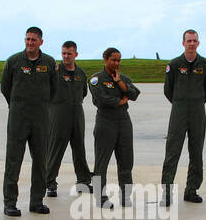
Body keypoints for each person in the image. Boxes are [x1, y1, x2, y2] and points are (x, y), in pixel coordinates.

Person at [0, 26, 56, 216]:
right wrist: (17, 104)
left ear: (41, 41)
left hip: (41, 119)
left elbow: (53, 89)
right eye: (27, 39)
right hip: (18, 117)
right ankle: (10, 203)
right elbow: (5, 87)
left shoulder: (48, 62)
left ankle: (37, 201)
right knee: (13, 160)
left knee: (41, 161)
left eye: (33, 40)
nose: (30, 43)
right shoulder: (14, 61)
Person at [160, 29, 206, 205]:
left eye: (194, 41)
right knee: (172, 151)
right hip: (179, 110)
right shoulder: (174, 64)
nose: (191, 43)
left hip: (198, 110)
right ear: (183, 43)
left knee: (196, 152)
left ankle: (191, 190)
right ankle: (167, 192)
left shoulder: (205, 64)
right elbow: (168, 90)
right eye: (188, 41)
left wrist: (196, 101)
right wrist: (180, 103)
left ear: (198, 43)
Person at [89, 48, 140, 209]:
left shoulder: (123, 78)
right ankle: (101, 197)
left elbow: (134, 94)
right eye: (113, 60)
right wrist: (120, 101)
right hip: (106, 122)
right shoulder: (96, 79)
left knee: (126, 161)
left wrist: (119, 83)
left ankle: (125, 196)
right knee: (101, 162)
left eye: (119, 60)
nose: (117, 63)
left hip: (124, 122)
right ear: (105, 59)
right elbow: (102, 99)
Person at [45, 40, 91, 198]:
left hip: (77, 111)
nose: (66, 56)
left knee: (79, 148)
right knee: (55, 148)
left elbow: (84, 92)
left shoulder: (81, 73)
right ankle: (50, 182)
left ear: (76, 55)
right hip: (59, 112)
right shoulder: (55, 71)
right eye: (63, 53)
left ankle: (83, 181)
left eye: (69, 53)